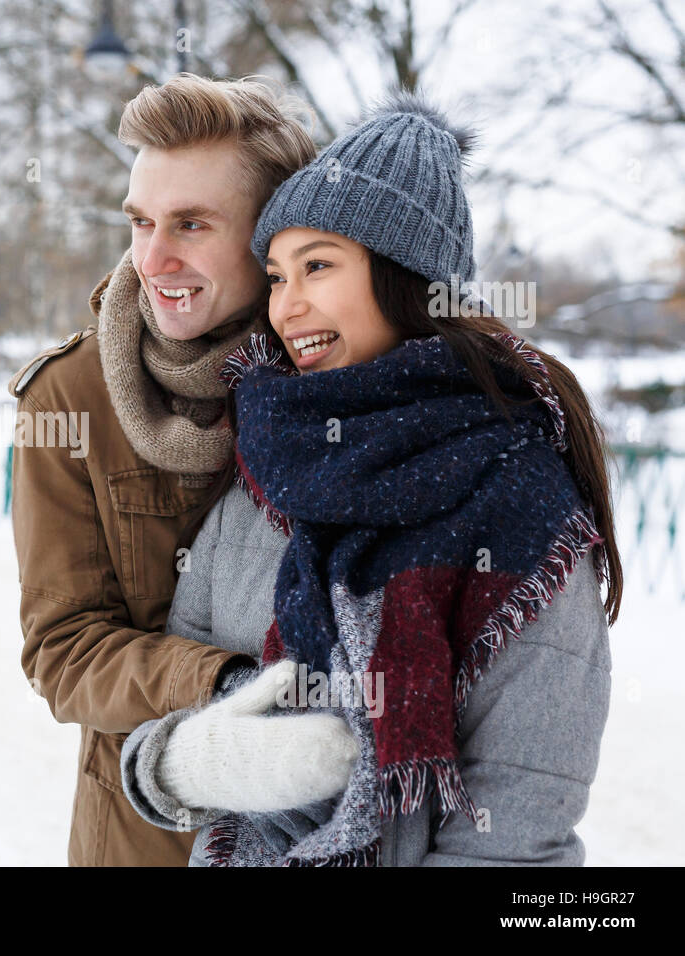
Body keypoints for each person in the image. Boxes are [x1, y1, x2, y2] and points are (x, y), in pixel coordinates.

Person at [120, 92, 620, 866]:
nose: (288, 306)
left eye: (318, 266)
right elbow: (170, 698)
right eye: (278, 275)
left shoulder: (520, 507)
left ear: (408, 278)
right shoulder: (268, 465)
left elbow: (517, 833)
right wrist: (182, 763)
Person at [8, 74, 317, 866]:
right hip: (147, 841)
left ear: (271, 233)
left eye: (191, 224)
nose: (152, 257)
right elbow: (63, 649)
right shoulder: (68, 398)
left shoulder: (336, 375)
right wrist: (222, 683)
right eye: (141, 221)